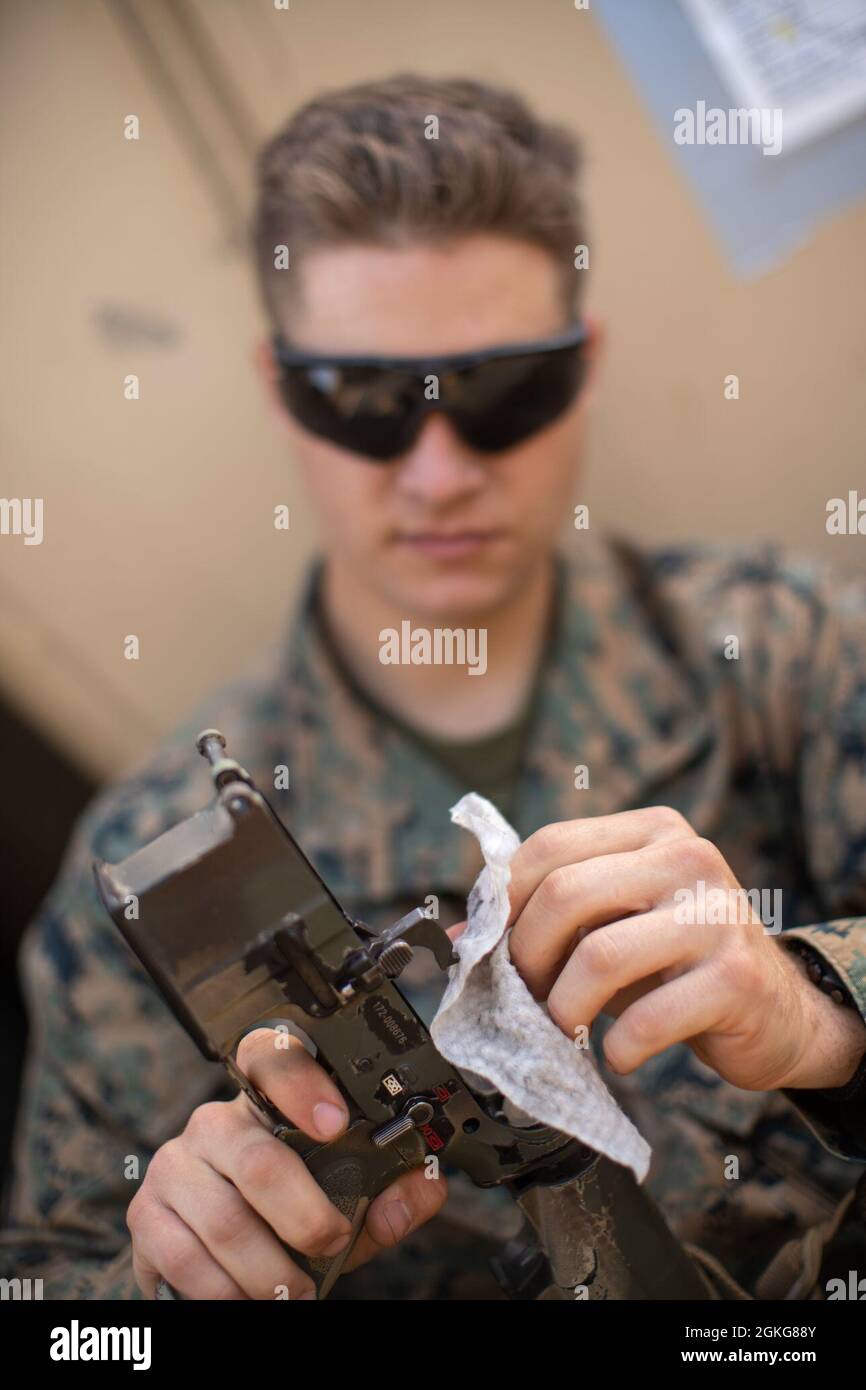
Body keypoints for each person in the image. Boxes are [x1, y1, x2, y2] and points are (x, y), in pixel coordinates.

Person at [1, 74, 864, 1302]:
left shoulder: (796, 661)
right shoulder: (151, 876)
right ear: (278, 390)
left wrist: (825, 1017)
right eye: (363, 401)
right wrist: (160, 1285)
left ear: (584, 368)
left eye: (500, 390)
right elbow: (49, 1299)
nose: (440, 470)